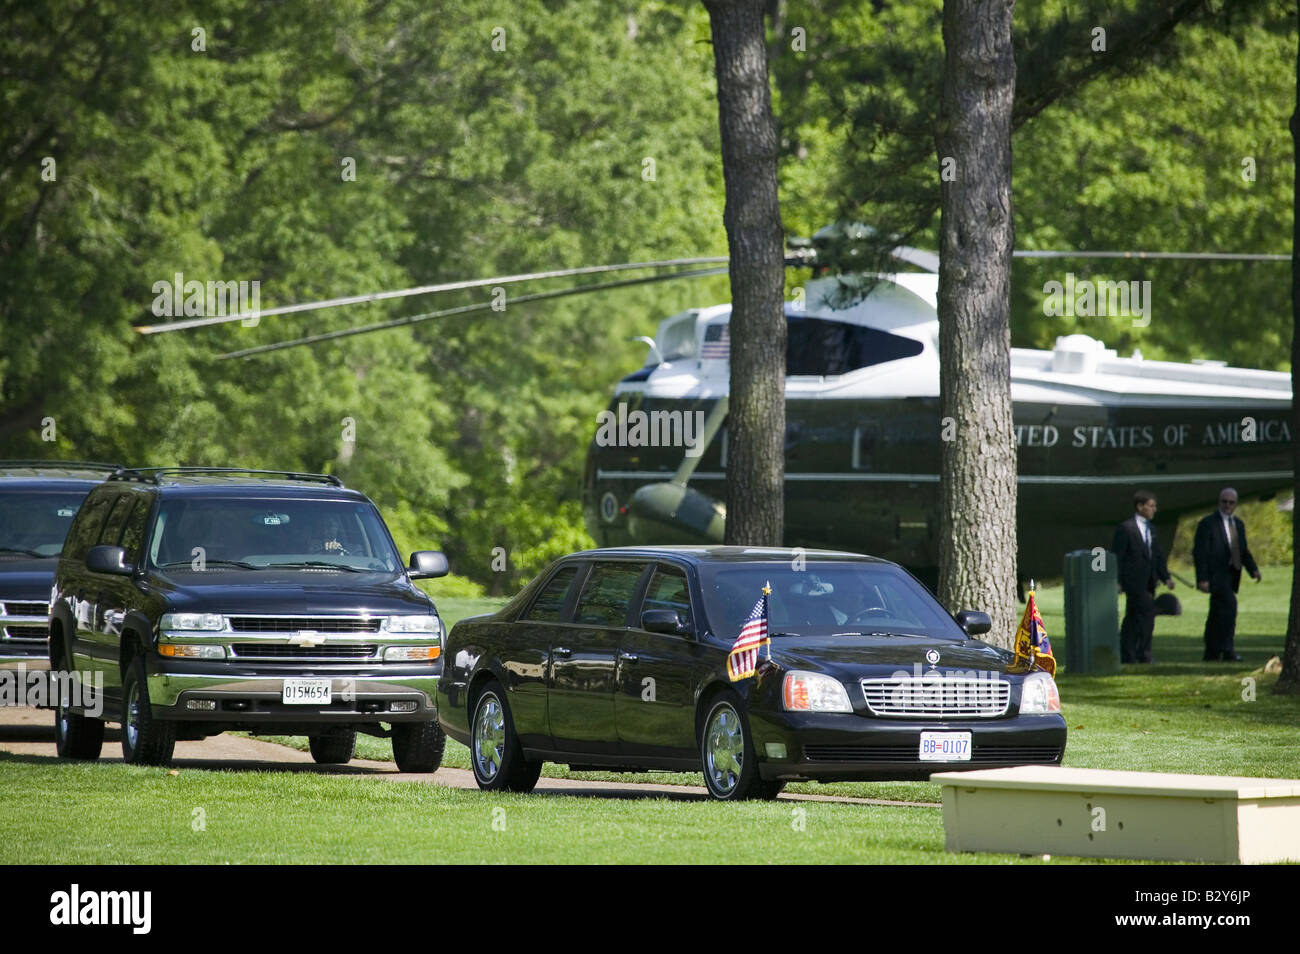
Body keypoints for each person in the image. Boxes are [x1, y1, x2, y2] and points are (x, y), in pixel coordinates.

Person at [1192, 487, 1261, 662]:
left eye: (1231, 502)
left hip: (1232, 575)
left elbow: (1242, 551)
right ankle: (1227, 649)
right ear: (1219, 502)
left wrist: (1253, 569)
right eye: (1224, 501)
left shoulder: (1238, 524)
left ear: (1236, 504)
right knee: (1230, 607)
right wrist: (1202, 578)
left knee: (1217, 613)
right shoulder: (1208, 523)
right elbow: (1199, 553)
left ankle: (1211, 652)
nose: (1227, 505)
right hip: (1216, 575)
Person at [1112, 490, 1174, 664]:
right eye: (1151, 506)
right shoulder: (1126, 528)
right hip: (1133, 582)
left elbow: (1157, 556)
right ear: (1140, 506)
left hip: (1149, 581)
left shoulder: (1151, 530)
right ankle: (1144, 653)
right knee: (1148, 613)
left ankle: (1128, 654)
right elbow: (1118, 556)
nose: (1154, 509)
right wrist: (1117, 581)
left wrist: (1165, 577)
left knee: (1132, 618)